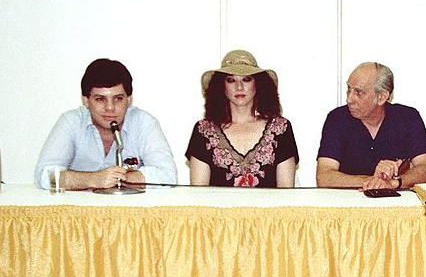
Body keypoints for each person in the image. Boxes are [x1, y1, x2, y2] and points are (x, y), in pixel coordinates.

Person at [34, 58, 177, 190]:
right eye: (100, 99)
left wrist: (122, 178)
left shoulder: (144, 123)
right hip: (77, 212)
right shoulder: (71, 122)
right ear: (86, 100)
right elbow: (44, 176)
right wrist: (93, 179)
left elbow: (168, 176)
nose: (110, 108)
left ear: (129, 99)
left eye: (118, 99)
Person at [186, 50, 298, 187]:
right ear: (222, 86)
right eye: (231, 80)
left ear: (258, 84)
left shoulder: (281, 129)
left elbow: (286, 194)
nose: (239, 87)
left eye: (246, 79)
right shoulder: (204, 131)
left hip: (269, 209)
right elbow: (199, 195)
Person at [316, 62, 426, 191]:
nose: (349, 99)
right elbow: (324, 176)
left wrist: (394, 183)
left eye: (358, 92)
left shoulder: (407, 118)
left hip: (397, 204)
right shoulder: (337, 119)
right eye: (349, 89)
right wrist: (372, 181)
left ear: (382, 97)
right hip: (349, 203)